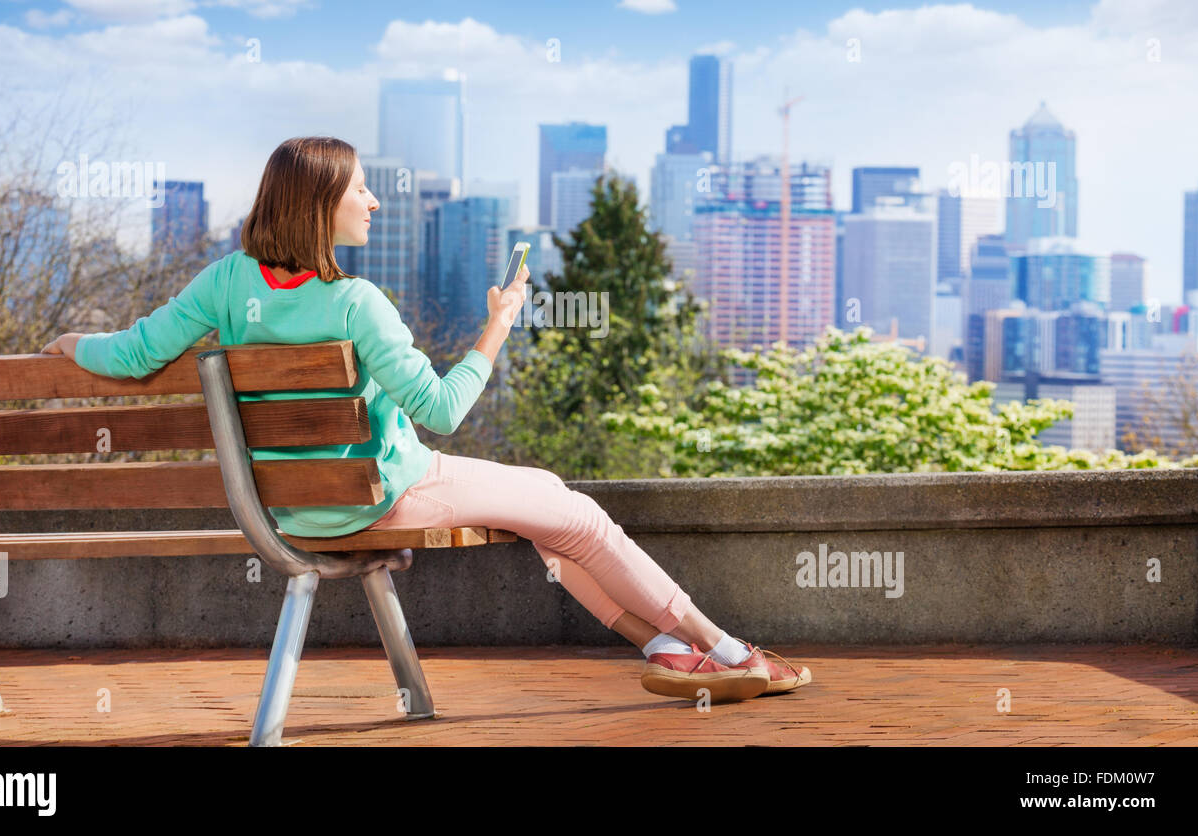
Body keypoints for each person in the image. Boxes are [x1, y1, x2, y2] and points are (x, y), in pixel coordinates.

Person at [42, 136, 811, 703]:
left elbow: (133, 353)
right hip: (385, 494)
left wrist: (73, 342)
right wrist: (498, 326)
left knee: (543, 495)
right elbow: (440, 411)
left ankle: (667, 648)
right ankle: (725, 648)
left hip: (286, 510)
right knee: (578, 516)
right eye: (362, 190)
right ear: (320, 204)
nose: (375, 202)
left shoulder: (224, 283)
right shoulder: (355, 302)